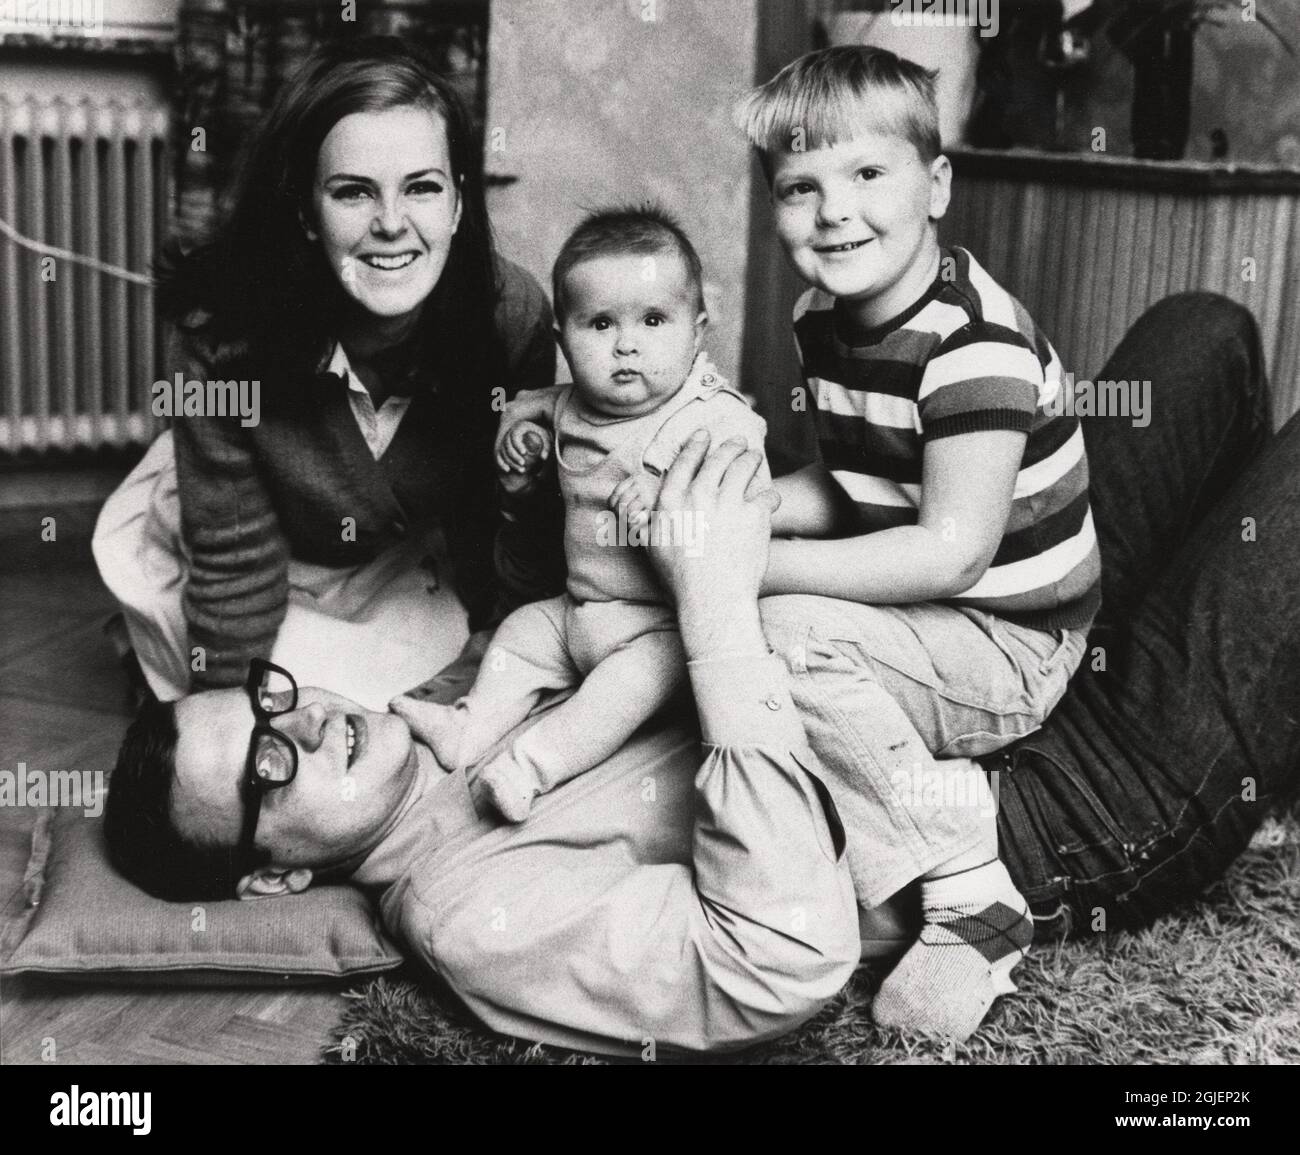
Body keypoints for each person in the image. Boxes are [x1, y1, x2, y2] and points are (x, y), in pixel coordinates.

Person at [105, 434, 862, 1057]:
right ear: (276, 878)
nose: (303, 720)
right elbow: (779, 955)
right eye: (268, 764)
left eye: (268, 700)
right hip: (905, 743)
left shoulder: (449, 717)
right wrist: (717, 608)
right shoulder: (468, 913)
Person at [734, 45, 1098, 1037]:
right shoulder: (826, 318)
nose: (832, 211)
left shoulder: (971, 343)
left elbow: (949, 553)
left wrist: (749, 566)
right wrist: (736, 510)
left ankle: (971, 886)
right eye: (799, 186)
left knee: (782, 630)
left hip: (1012, 639)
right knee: (735, 628)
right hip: (934, 610)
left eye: (866, 174)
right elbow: (854, 483)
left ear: (935, 184)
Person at [92, 36, 560, 710]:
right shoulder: (220, 336)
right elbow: (231, 560)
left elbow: (505, 519)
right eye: (353, 193)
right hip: (240, 524)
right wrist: (228, 714)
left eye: (422, 188)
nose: (392, 224)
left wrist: (505, 652)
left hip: (391, 544)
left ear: (458, 203)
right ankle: (144, 643)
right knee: (263, 695)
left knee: (421, 679)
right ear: (307, 211)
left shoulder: (511, 316)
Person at [388, 205, 769, 822]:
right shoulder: (570, 403)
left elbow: (747, 474)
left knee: (622, 691)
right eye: (599, 324)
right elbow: (529, 407)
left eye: (653, 319)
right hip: (576, 610)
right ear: (564, 340)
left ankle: (530, 767)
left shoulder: (708, 414)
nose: (626, 344)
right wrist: (524, 438)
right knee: (517, 637)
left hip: (655, 626)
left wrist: (676, 497)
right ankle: (470, 727)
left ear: (698, 331)